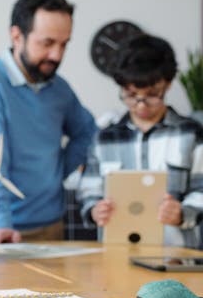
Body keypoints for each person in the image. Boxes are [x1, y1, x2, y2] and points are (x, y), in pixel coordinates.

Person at [0, 0, 97, 244]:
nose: (56, 55)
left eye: (63, 44)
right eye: (47, 43)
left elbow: (88, 132)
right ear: (17, 36)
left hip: (50, 223)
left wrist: (57, 172)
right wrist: (0, 224)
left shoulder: (60, 89)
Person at [79, 34, 203, 248]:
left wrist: (183, 213)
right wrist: (94, 210)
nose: (141, 105)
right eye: (131, 95)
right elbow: (89, 192)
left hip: (177, 256)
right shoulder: (104, 139)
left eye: (153, 94)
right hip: (117, 255)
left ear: (168, 84)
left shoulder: (190, 133)